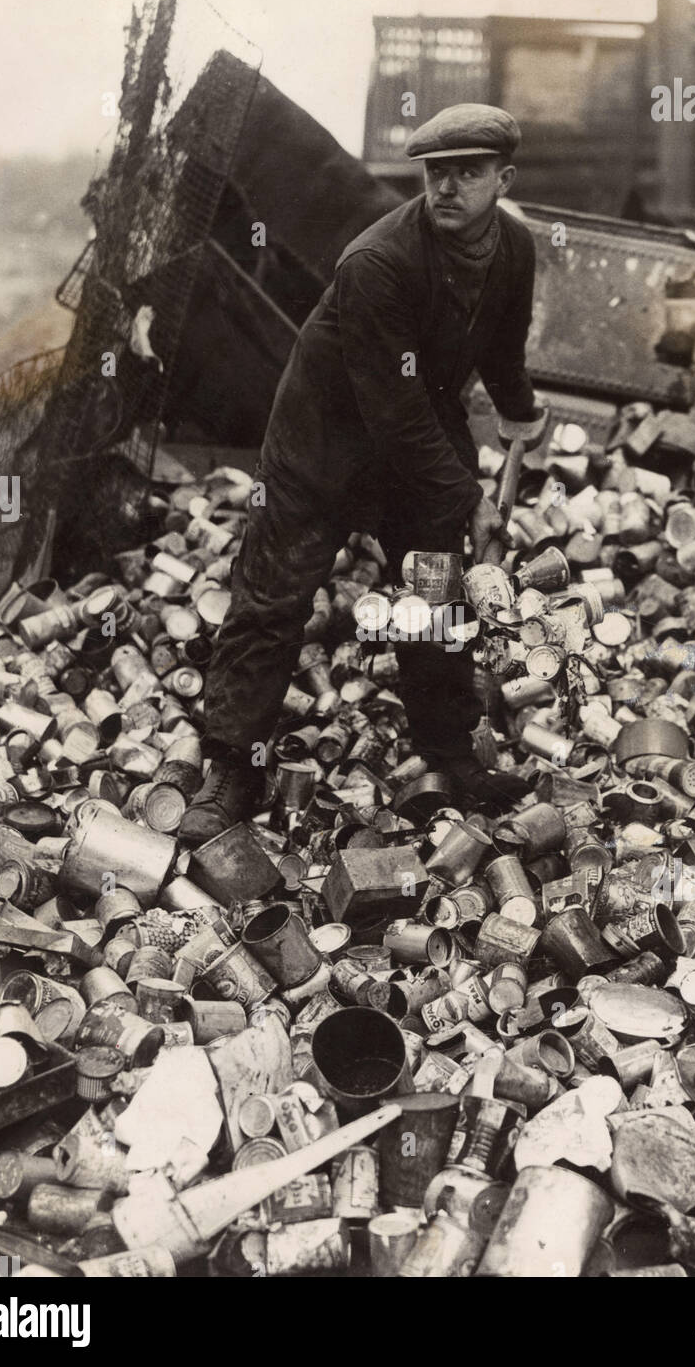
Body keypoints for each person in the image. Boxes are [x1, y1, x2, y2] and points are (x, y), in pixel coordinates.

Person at [180, 103, 548, 846]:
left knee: (434, 593)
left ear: (502, 179)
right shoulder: (377, 262)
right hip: (325, 438)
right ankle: (231, 770)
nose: (447, 189)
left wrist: (520, 413)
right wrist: (468, 498)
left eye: (467, 174)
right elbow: (393, 409)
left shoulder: (512, 247)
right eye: (435, 174)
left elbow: (500, 348)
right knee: (272, 599)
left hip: (415, 425)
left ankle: (447, 751)